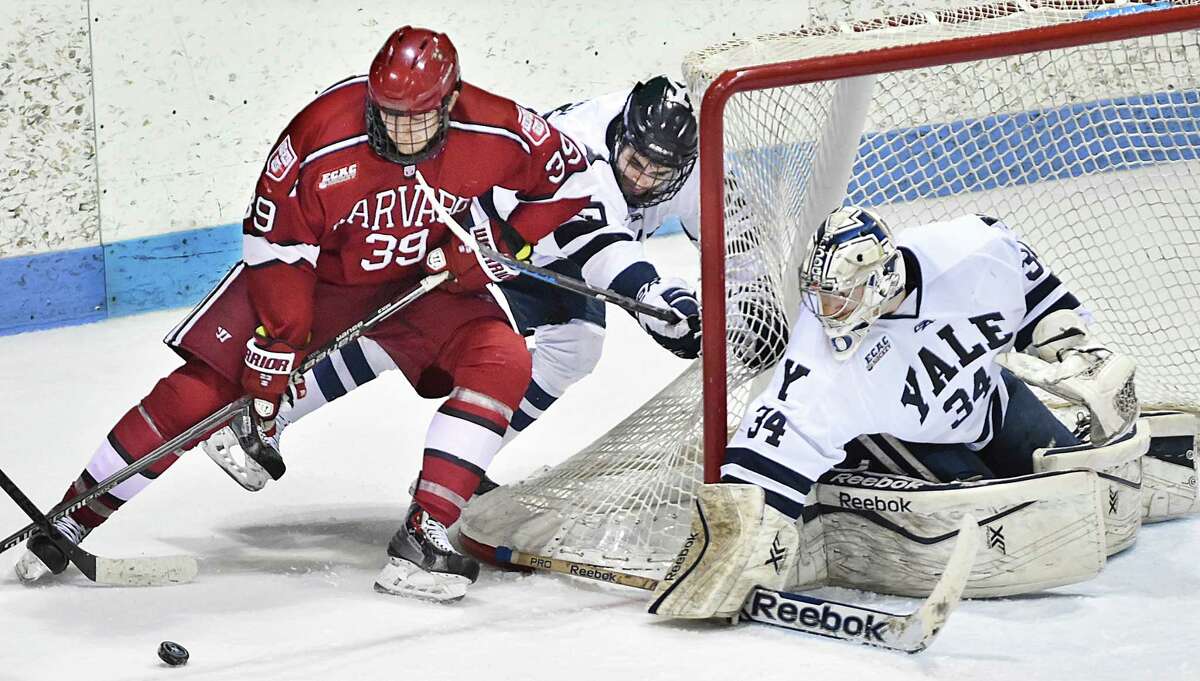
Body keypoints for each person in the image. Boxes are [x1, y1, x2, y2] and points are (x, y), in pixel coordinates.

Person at [15, 26, 600, 603]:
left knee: (502, 359)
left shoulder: (495, 126)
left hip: (424, 281)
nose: (399, 132)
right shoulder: (319, 136)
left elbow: (575, 178)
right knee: (198, 394)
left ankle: (424, 534)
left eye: (417, 118)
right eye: (388, 114)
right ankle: (72, 515)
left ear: (450, 103)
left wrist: (500, 241)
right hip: (318, 280)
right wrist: (280, 340)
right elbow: (276, 246)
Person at [203, 76, 764, 489]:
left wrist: (750, 304)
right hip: (493, 233)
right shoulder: (584, 147)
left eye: (659, 174)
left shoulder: (695, 163)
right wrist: (653, 297)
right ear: (621, 135)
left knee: (576, 348)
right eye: (635, 163)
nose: (641, 180)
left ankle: (462, 471)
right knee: (406, 336)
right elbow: (601, 245)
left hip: (555, 253)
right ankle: (257, 416)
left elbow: (737, 237)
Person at [647, 206, 1144, 619]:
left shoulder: (970, 251)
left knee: (1082, 476)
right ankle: (839, 503)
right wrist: (733, 538)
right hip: (909, 439)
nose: (828, 313)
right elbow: (770, 438)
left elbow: (1030, 284)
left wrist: (1071, 347)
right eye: (821, 297)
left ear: (882, 278)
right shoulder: (821, 361)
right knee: (997, 517)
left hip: (989, 402)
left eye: (841, 297)